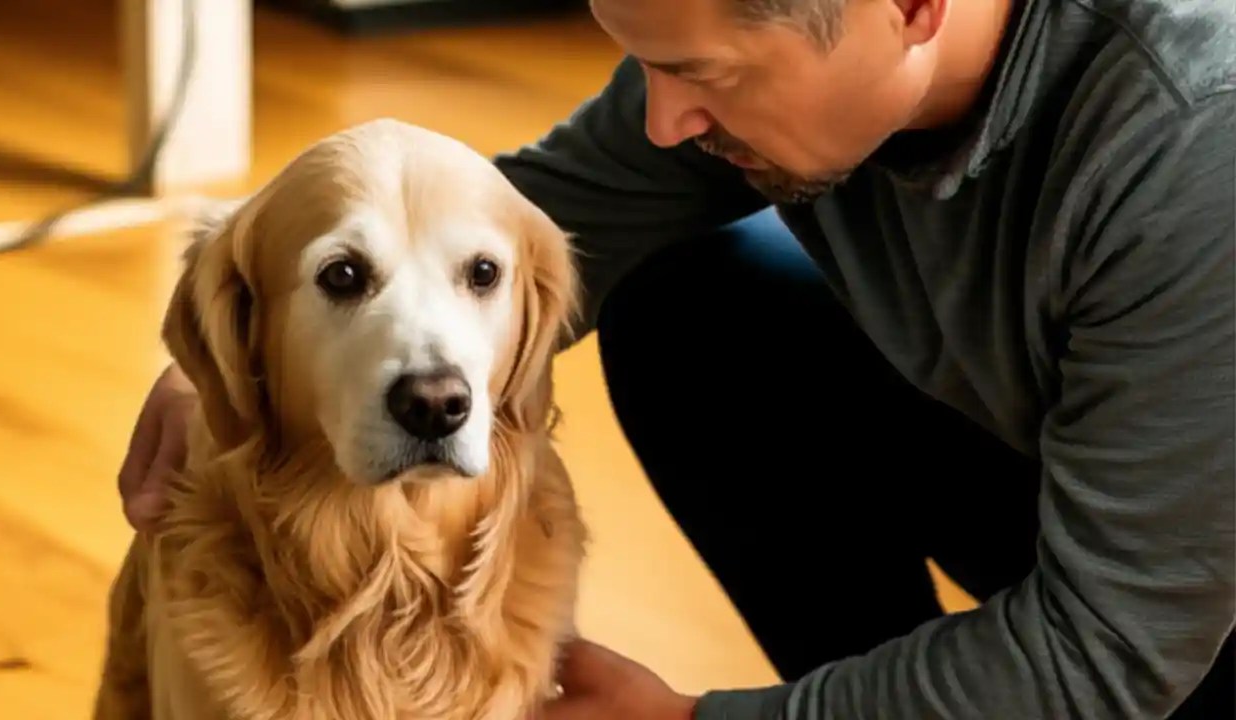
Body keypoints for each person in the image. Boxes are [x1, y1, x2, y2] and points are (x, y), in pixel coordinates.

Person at [117, 0, 1235, 717]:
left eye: (702, 74)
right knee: (695, 298)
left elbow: (1115, 644)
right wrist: (241, 347)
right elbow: (529, 223)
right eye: (644, 63)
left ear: (907, 7)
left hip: (1182, 612)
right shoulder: (762, 69)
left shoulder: (1194, 143)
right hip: (1075, 474)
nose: (660, 123)